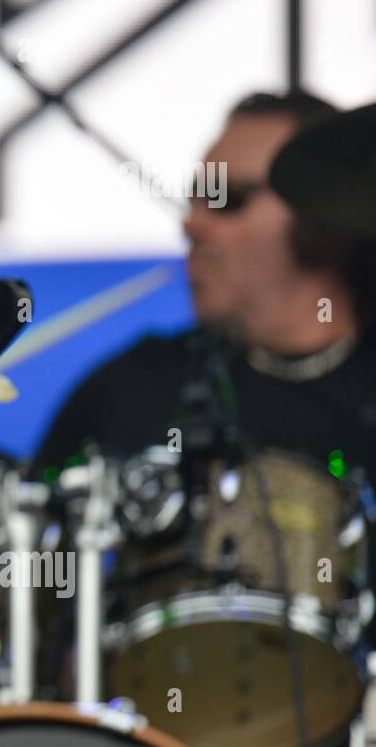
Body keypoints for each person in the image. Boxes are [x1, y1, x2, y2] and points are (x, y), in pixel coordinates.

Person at [37, 90, 376, 487]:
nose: (190, 225)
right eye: (193, 199)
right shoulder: (130, 390)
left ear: (328, 210)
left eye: (226, 199)